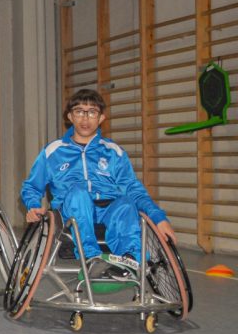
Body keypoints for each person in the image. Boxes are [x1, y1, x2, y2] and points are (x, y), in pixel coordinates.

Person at [21, 88, 176, 279]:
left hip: (108, 210)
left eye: (92, 112)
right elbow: (32, 186)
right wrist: (33, 206)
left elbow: (135, 190)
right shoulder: (53, 151)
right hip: (70, 213)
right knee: (78, 192)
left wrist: (159, 218)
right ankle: (91, 257)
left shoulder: (114, 152)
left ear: (101, 117)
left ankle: (129, 260)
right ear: (70, 116)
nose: (85, 119)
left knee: (127, 202)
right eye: (79, 111)